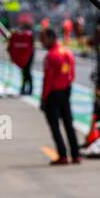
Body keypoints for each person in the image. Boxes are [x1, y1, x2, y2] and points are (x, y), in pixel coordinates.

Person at [39, 27, 79, 166]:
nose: (41, 42)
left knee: (55, 126)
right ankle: (76, 154)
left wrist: (43, 98)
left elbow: (47, 80)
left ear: (50, 38)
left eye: (43, 39)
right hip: (66, 91)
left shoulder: (50, 56)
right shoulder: (67, 52)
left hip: (53, 94)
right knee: (68, 124)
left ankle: (63, 155)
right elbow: (72, 75)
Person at [8, 14, 36, 96]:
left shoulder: (30, 34)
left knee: (27, 72)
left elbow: (31, 45)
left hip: (29, 55)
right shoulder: (20, 32)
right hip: (23, 55)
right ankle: (23, 88)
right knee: (23, 72)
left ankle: (30, 89)